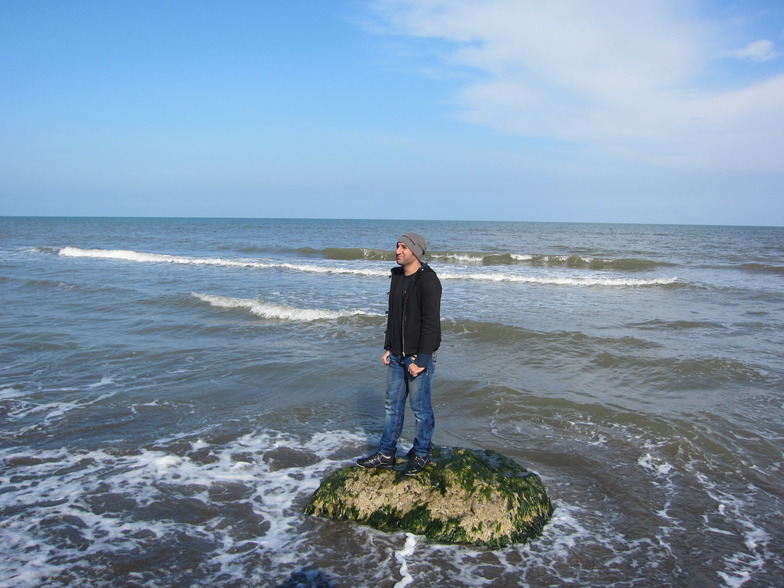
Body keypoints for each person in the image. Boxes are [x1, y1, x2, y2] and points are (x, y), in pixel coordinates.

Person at [357, 233, 442, 476]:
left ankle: (421, 453)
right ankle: (386, 453)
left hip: (417, 357)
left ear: (415, 251)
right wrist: (388, 346)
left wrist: (423, 360)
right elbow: (393, 315)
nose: (398, 250)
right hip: (396, 354)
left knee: (420, 408)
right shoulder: (397, 277)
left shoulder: (429, 281)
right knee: (391, 406)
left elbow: (431, 324)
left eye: (403, 247)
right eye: (397, 246)